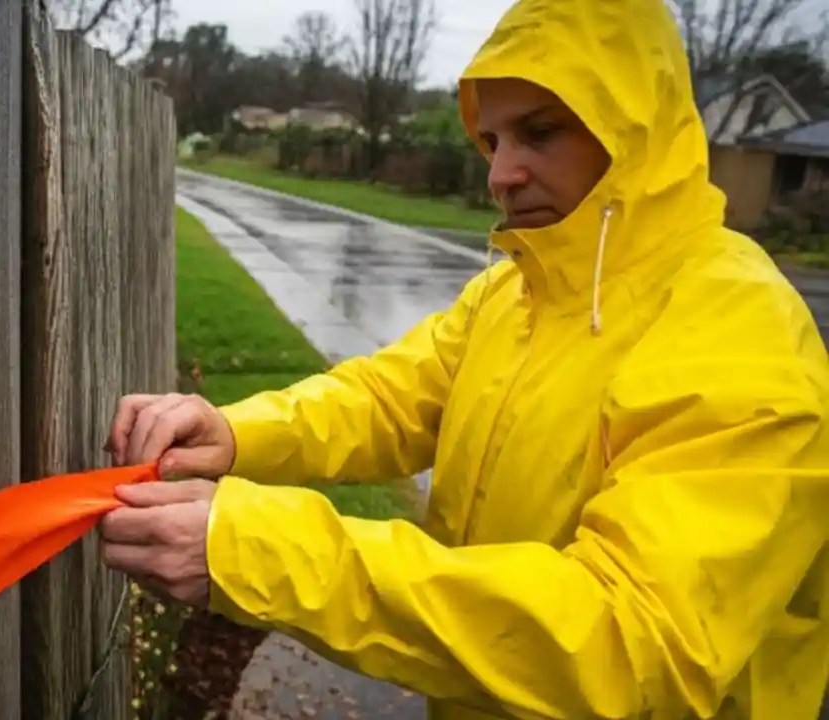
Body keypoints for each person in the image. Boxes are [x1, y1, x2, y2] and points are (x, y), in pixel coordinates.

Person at [97, 0, 829, 717]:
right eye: (492, 141)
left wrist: (256, 550)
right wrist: (233, 434)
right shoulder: (516, 290)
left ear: (638, 127)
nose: (500, 175)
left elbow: (632, 640)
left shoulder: (740, 334)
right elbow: (389, 399)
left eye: (539, 134)